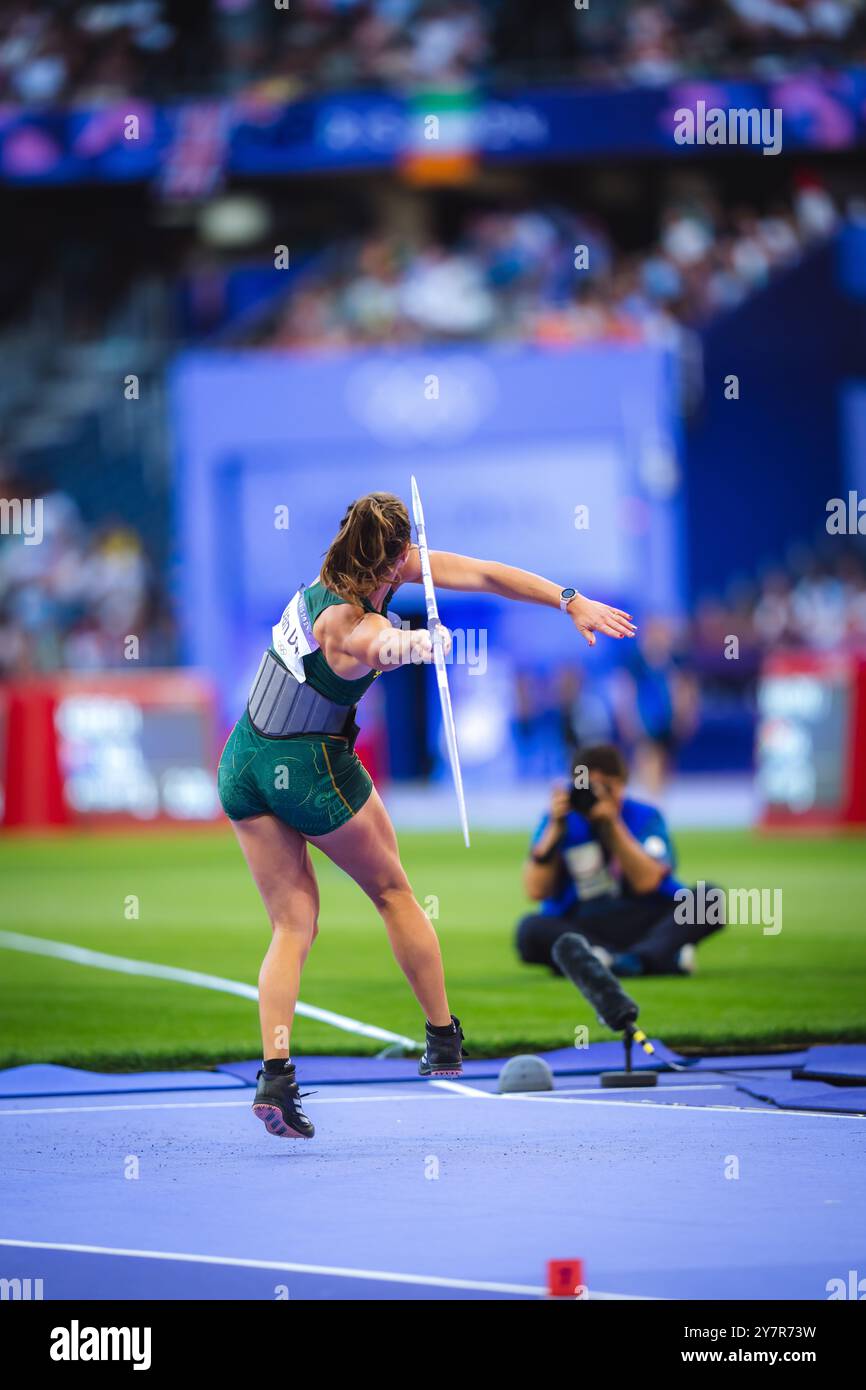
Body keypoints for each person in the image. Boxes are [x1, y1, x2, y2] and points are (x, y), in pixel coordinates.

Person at [217, 492, 636, 1138]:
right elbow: (376, 645)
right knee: (392, 891)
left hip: (244, 758)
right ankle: (443, 1037)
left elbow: (487, 574)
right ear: (386, 560)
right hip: (305, 765)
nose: (411, 565)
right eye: (403, 558)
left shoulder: (355, 571)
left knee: (292, 923)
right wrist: (422, 645)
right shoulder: (346, 620)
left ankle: (275, 1075)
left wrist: (566, 598)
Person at [515, 743, 721, 979]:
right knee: (530, 930)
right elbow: (535, 890)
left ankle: (626, 959)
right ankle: (652, 957)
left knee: (710, 900)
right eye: (588, 787)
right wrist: (554, 830)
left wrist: (612, 825)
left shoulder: (644, 816)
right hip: (585, 919)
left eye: (606, 787)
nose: (596, 795)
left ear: (622, 785)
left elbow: (647, 882)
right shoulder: (560, 820)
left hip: (645, 913)